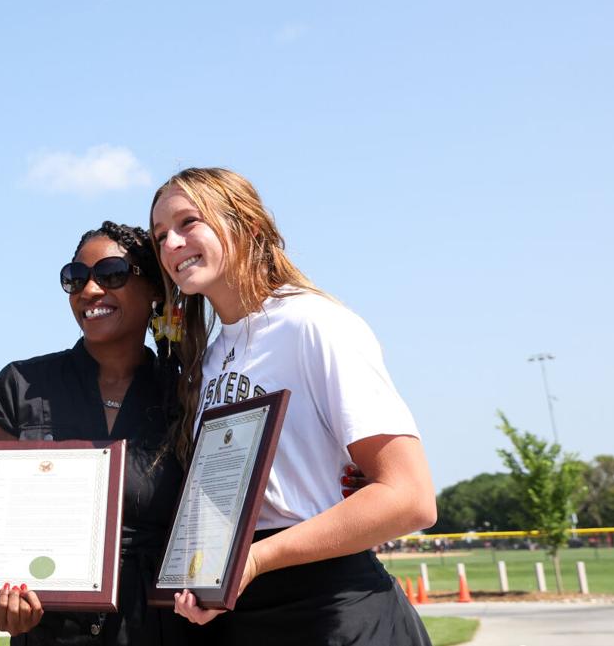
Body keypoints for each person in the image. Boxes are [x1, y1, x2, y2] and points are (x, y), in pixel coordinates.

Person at [151, 167, 435, 645]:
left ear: (248, 226)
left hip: (334, 608)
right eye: (161, 235)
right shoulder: (210, 357)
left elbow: (410, 498)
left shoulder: (312, 323)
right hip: (245, 607)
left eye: (188, 222)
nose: (171, 244)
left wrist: (258, 559)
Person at [0, 221, 188, 645]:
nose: (89, 291)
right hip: (49, 631)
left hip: (160, 629)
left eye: (111, 274)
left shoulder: (187, 391)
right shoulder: (21, 386)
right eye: (75, 278)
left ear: (156, 289)